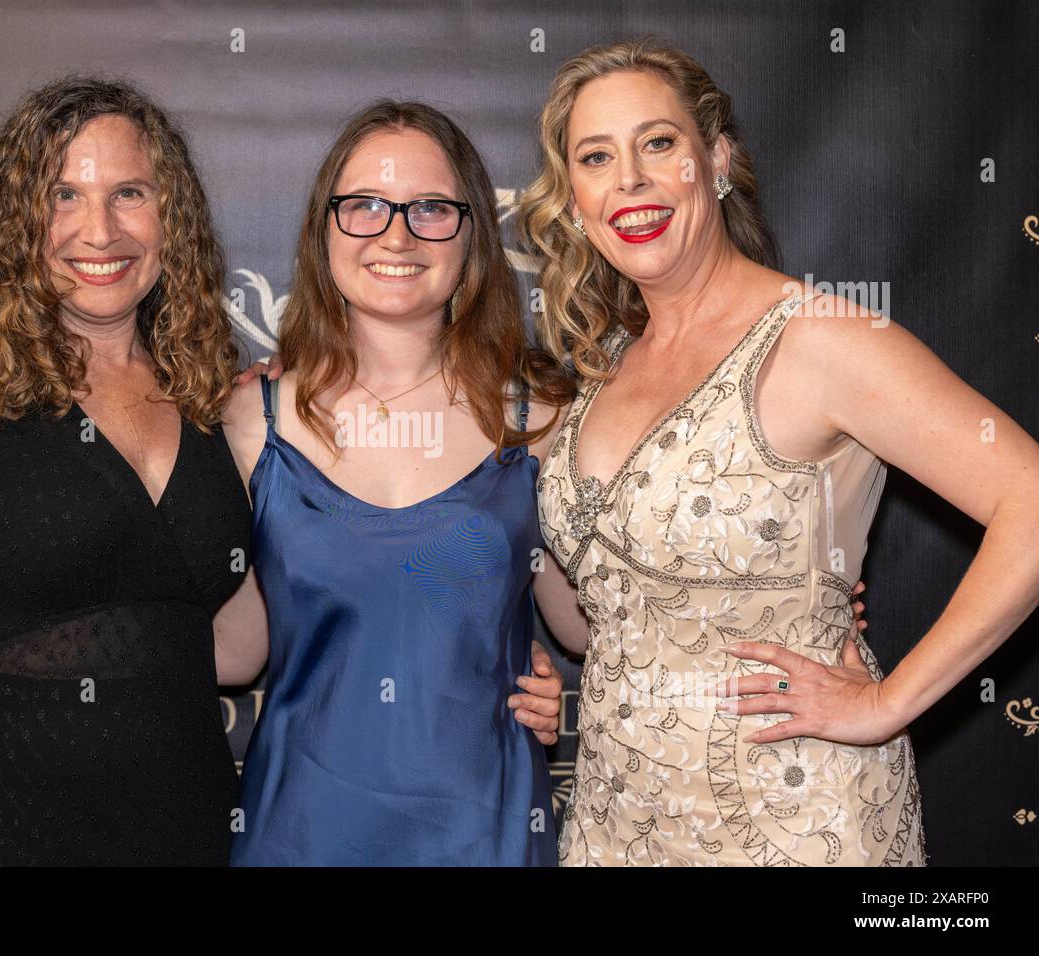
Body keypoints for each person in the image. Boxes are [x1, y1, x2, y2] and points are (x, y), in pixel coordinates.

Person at [522, 37, 1039, 866]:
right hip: (616, 822)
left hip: (796, 822)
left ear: (717, 159)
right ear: (576, 200)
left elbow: (1031, 502)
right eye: (596, 157)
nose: (631, 181)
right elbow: (607, 619)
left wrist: (885, 703)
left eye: (659, 143)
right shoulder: (601, 370)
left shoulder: (819, 339)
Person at [0, 77, 256, 865]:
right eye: (63, 195)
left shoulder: (208, 391)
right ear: (18, 220)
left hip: (183, 824)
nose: (98, 231)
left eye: (129, 192)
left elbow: (234, 644)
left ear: (172, 213)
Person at [219, 101, 584, 865]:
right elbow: (235, 649)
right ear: (325, 230)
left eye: (430, 209)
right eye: (365, 207)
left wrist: (768, 597)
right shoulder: (251, 420)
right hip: (300, 831)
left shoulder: (540, 417)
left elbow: (593, 626)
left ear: (472, 233)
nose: (396, 234)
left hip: (486, 830)